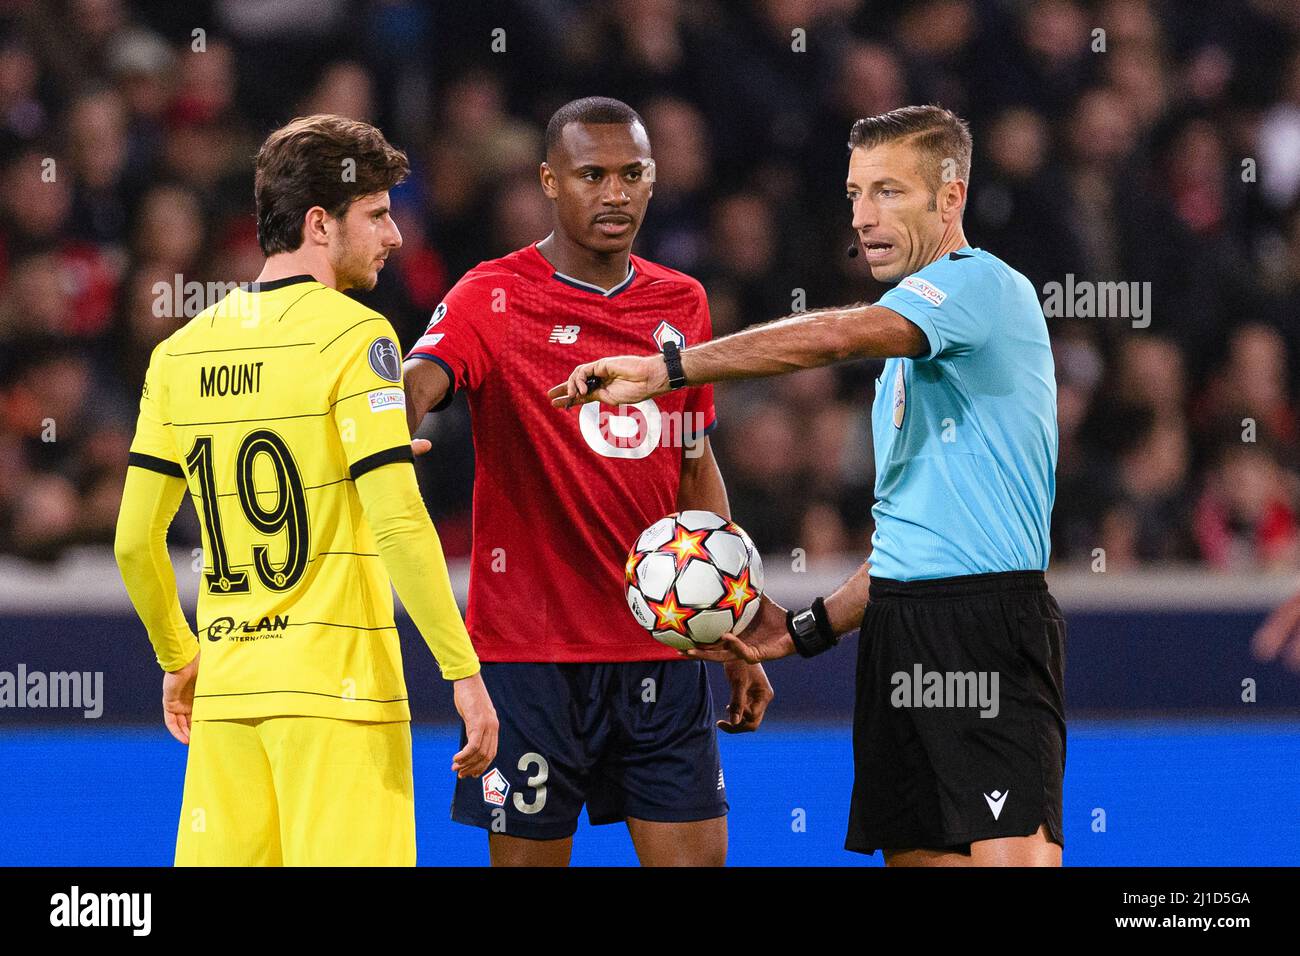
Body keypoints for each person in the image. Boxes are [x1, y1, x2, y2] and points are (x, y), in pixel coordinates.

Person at [551, 104, 1066, 867]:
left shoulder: (983, 287)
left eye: (889, 192)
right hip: (900, 629)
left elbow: (834, 335)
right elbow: (908, 549)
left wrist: (668, 370)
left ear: (951, 199)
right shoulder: (907, 371)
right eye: (856, 193)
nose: (863, 216)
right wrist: (800, 630)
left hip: (989, 629)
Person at [113, 114, 497, 866]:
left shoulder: (179, 353)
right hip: (340, 701)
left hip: (227, 700)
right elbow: (398, 522)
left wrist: (177, 655)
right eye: (378, 215)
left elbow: (134, 542)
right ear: (321, 223)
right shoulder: (359, 338)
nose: (394, 237)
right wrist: (464, 672)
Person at [402, 97, 773, 867]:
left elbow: (693, 463)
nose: (615, 194)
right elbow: (420, 375)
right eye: (592, 175)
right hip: (530, 658)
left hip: (661, 646)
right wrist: (397, 416)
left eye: (632, 174)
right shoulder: (493, 295)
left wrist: (731, 624)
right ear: (548, 180)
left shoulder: (682, 303)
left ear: (653, 177)